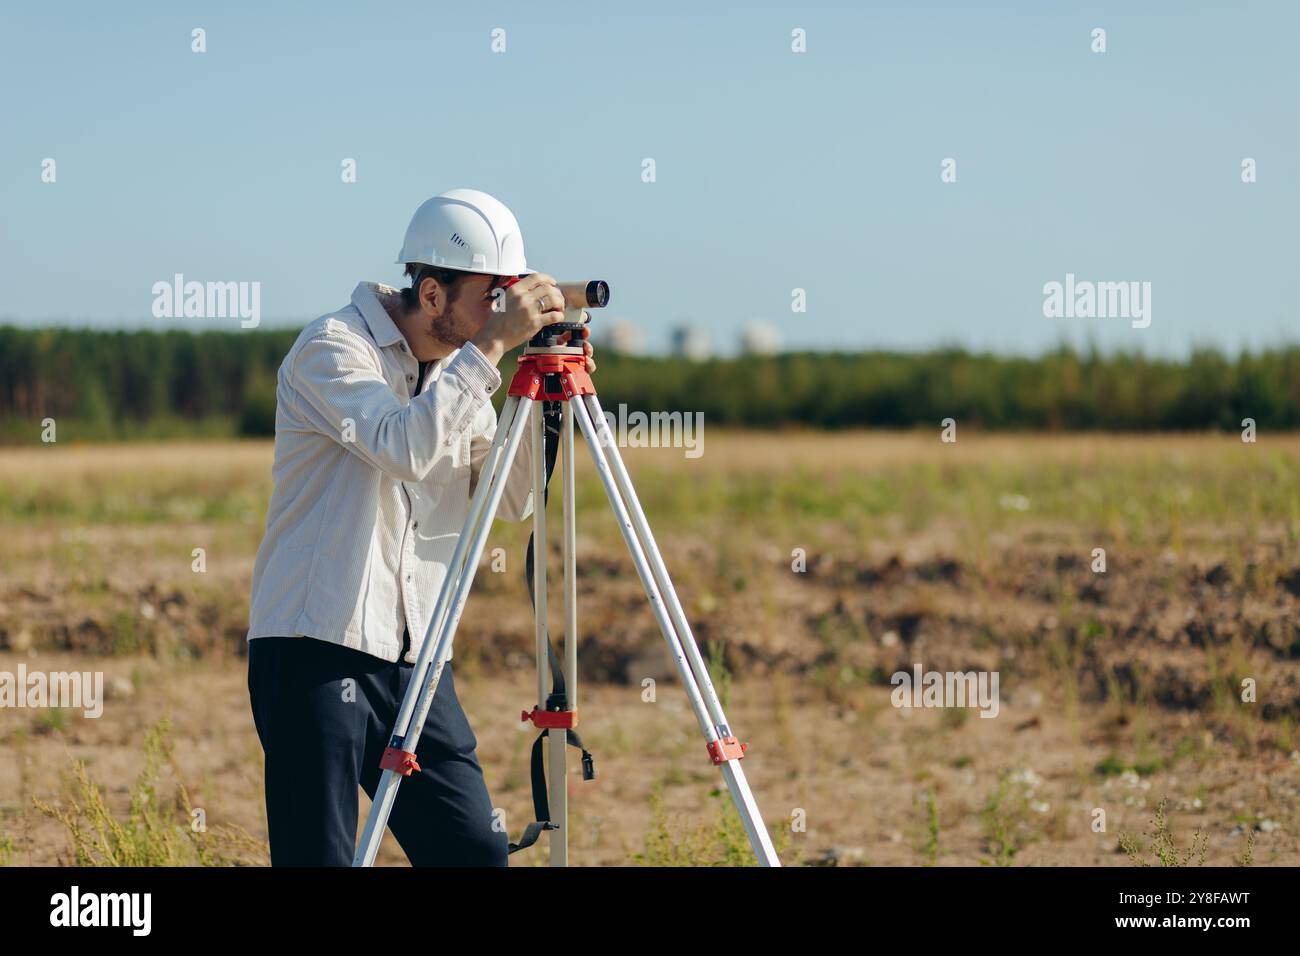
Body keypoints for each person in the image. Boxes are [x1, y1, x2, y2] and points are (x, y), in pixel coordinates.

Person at [245, 188, 595, 866]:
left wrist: (542, 394)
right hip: (315, 647)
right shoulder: (333, 348)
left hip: (415, 656)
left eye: (508, 296)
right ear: (430, 292)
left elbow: (512, 498)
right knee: (319, 857)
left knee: (473, 853)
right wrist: (490, 350)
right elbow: (402, 448)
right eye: (490, 296)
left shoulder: (460, 372)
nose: (502, 313)